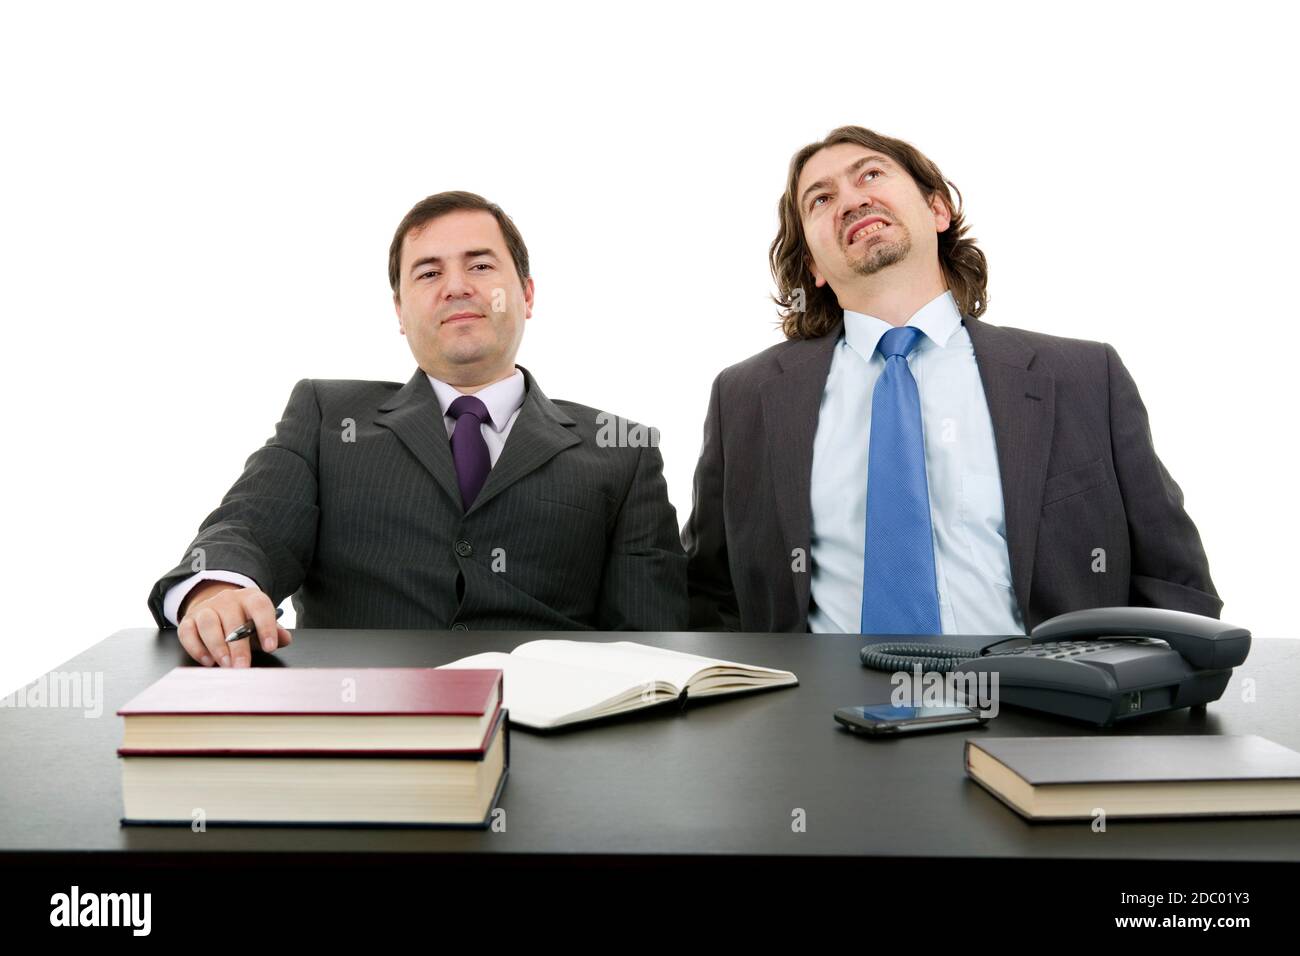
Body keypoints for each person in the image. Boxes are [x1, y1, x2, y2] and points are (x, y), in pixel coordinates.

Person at [682, 126, 1219, 634]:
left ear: (938, 209)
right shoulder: (744, 398)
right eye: (819, 199)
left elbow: (1175, 586)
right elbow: (708, 599)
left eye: (871, 174)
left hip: (1039, 695)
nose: (850, 200)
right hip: (825, 699)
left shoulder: (1083, 377)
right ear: (814, 267)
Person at [149, 191, 687, 667]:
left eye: (480, 266)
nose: (456, 287)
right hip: (363, 726)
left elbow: (653, 649)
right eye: (428, 274)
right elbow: (250, 525)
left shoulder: (624, 451)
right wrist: (216, 590)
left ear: (526, 294)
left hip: (548, 731)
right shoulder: (325, 416)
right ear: (400, 311)